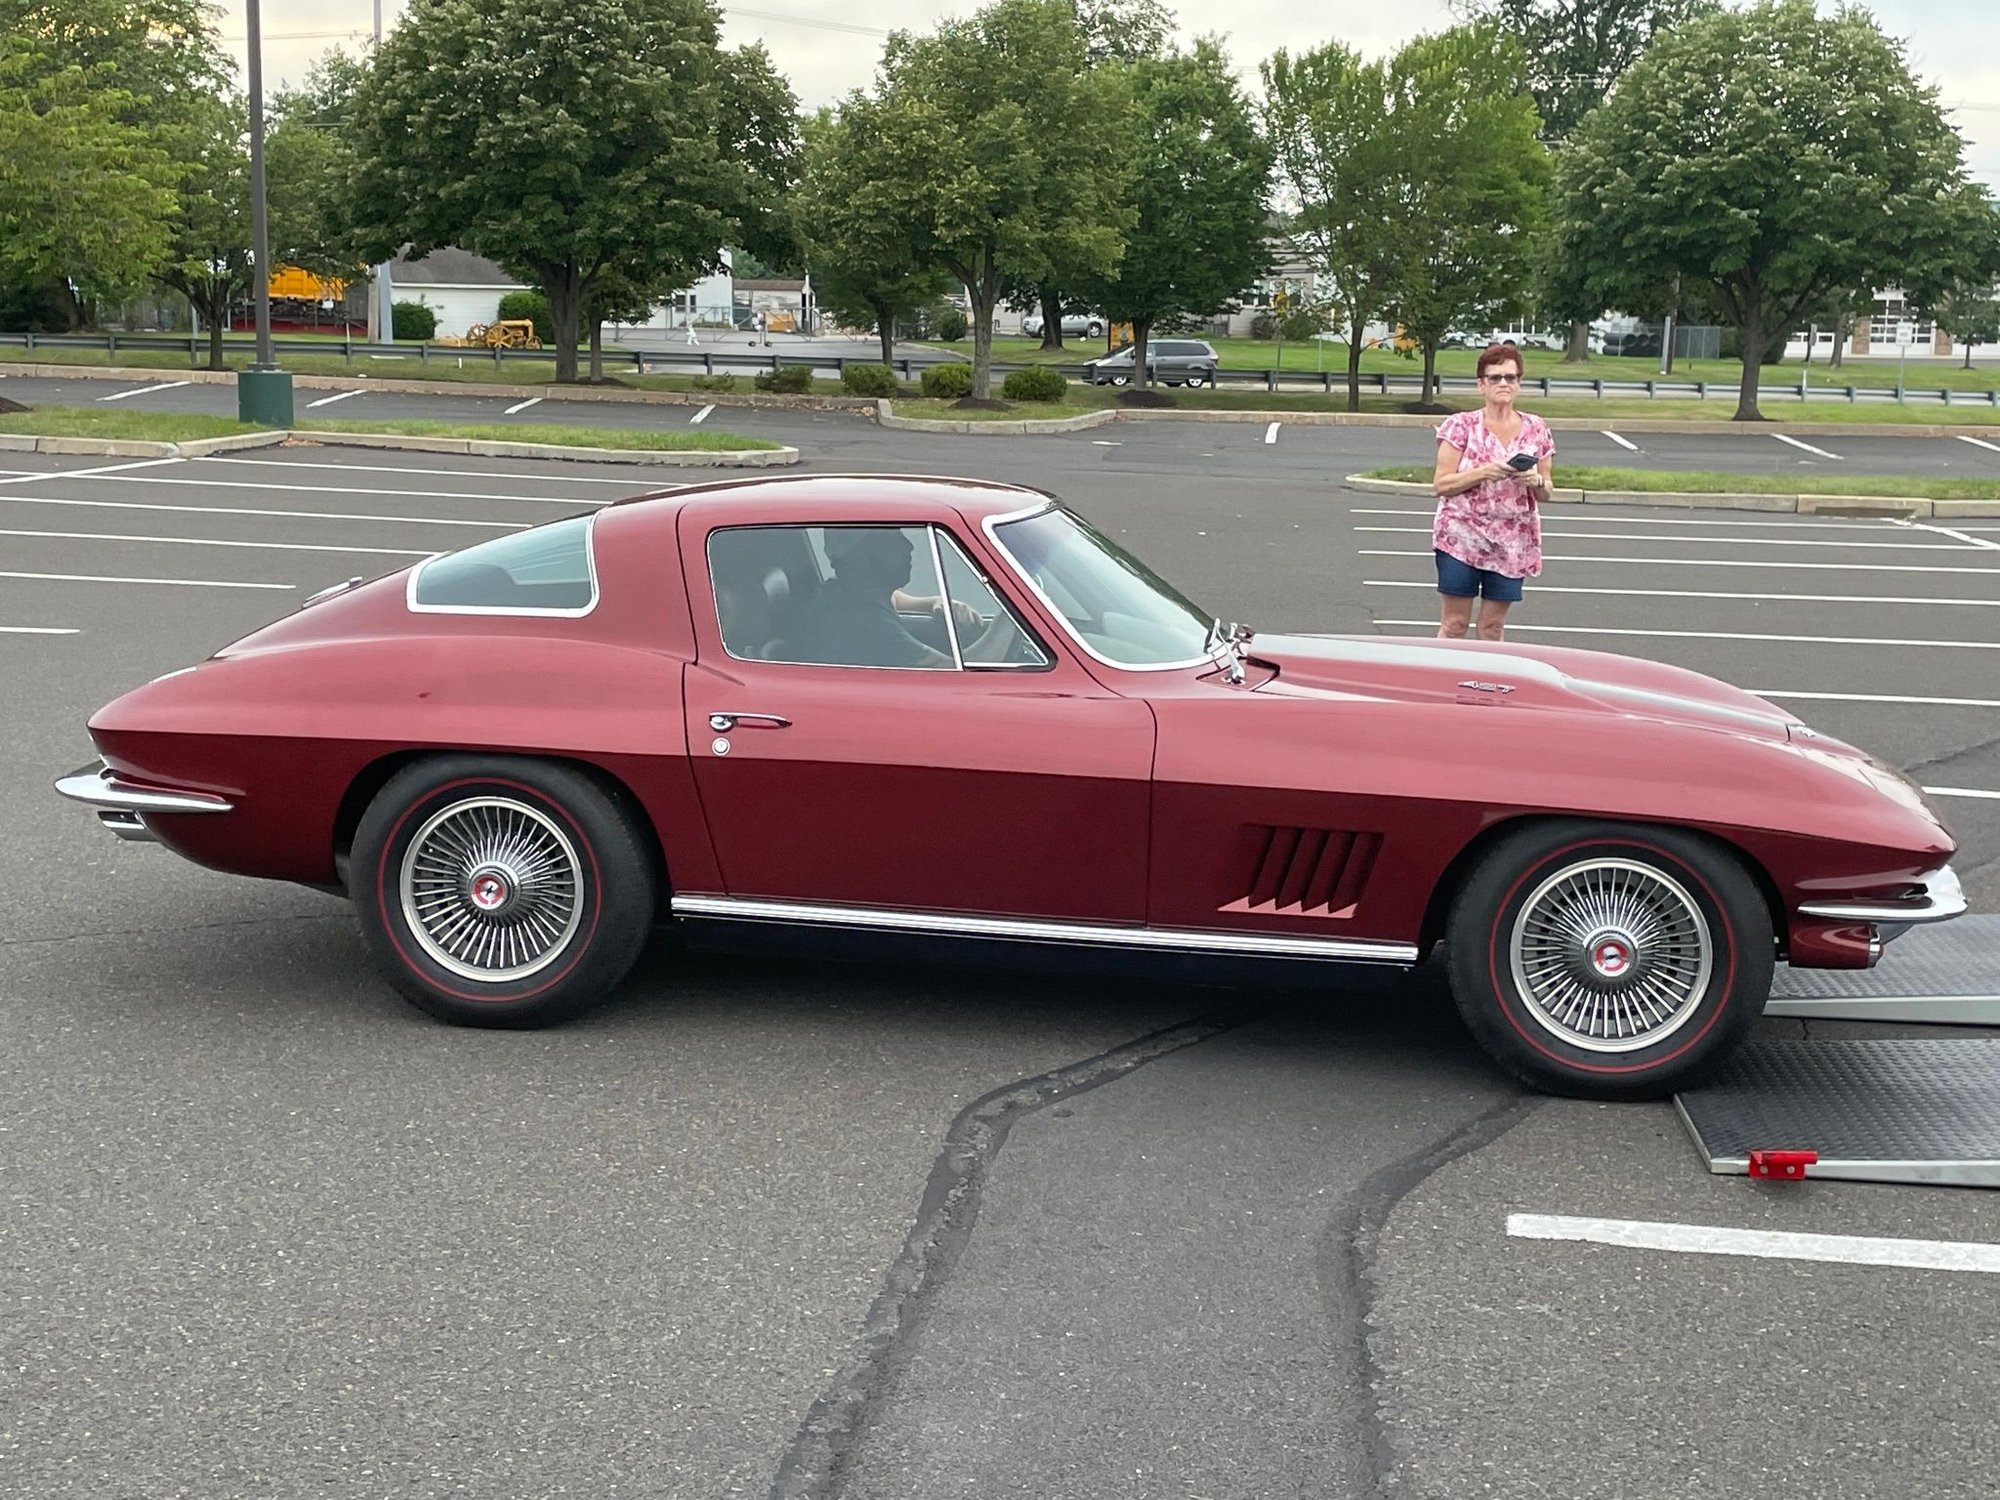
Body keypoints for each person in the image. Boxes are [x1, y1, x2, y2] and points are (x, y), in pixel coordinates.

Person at [1430, 343, 1555, 641]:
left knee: (1492, 627)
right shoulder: (1461, 426)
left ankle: (1487, 683)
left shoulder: (1536, 429)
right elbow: (1441, 484)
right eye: (1495, 377)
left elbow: (1547, 491)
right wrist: (1483, 472)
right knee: (1455, 623)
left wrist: (1535, 480)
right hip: (1462, 537)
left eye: (1510, 378)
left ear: (1519, 384)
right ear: (1481, 384)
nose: (1503, 384)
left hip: (1513, 542)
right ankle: (1443, 680)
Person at [803, 527, 1020, 668]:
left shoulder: (845, 593)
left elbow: (890, 598)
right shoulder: (862, 623)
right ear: (859, 556)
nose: (909, 546)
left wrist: (934, 602)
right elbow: (967, 668)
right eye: (891, 540)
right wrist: (1015, 613)